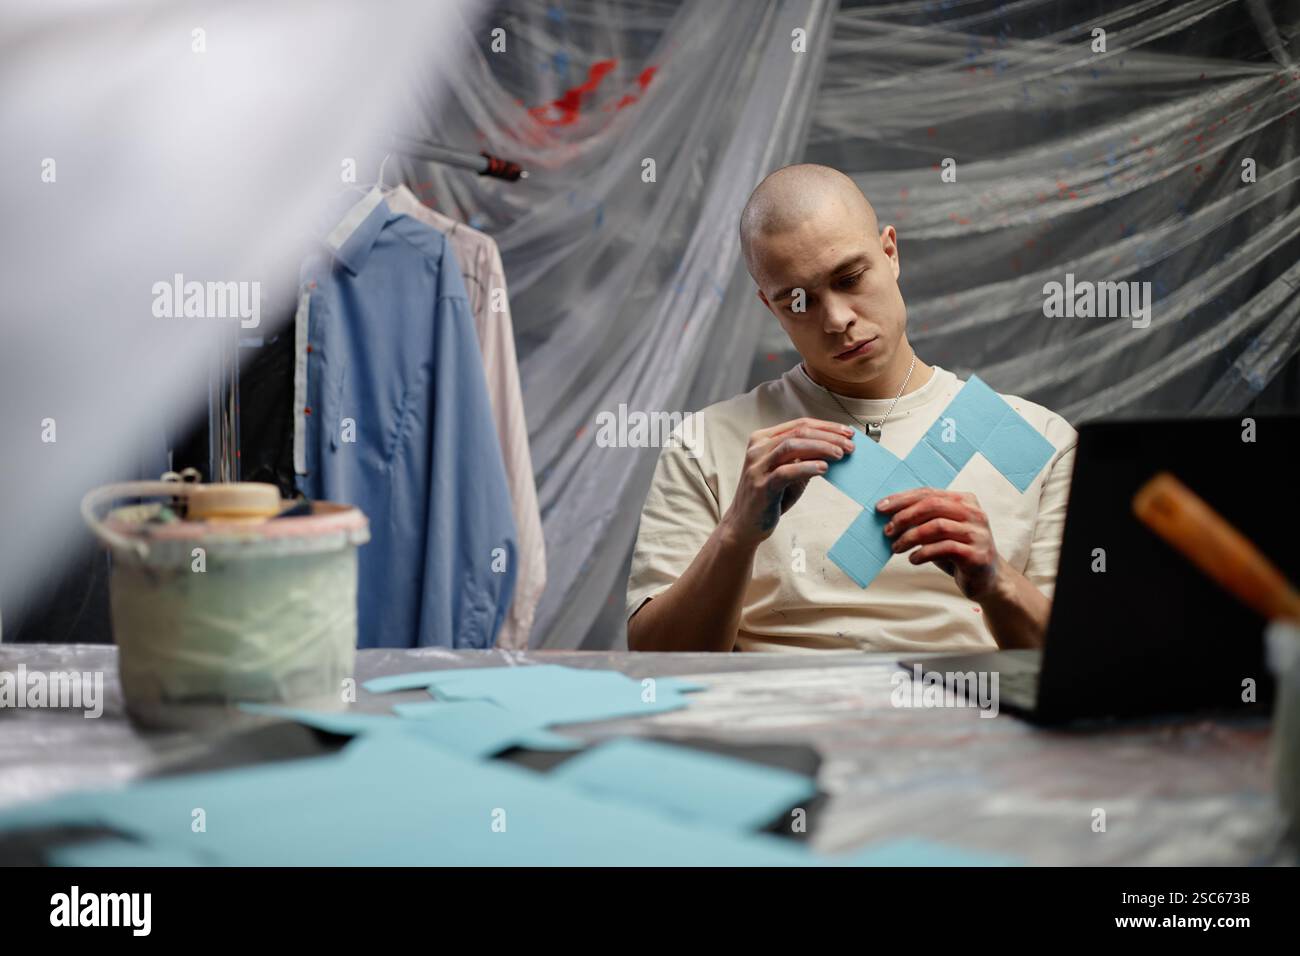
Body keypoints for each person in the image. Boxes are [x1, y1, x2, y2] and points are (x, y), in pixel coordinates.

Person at [626, 164, 1078, 653]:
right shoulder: (706, 443)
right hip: (774, 723)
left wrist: (997, 582)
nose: (837, 319)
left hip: (966, 719)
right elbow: (656, 661)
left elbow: (1081, 668)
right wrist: (736, 534)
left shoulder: (1033, 439)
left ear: (890, 252)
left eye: (850, 277)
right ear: (770, 307)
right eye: (799, 302)